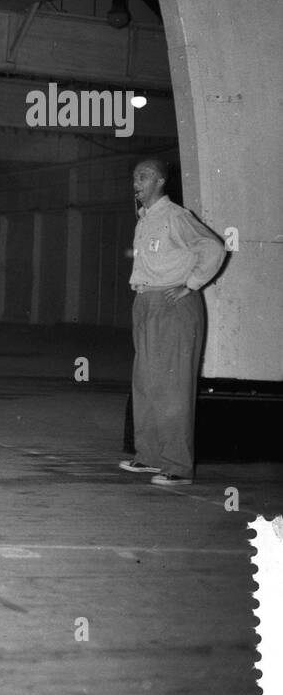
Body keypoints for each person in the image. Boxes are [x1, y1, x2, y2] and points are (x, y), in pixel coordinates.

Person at [121, 158, 226, 486]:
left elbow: (213, 247)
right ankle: (150, 457)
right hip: (146, 302)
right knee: (146, 383)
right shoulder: (145, 219)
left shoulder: (176, 217)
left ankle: (177, 466)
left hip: (172, 305)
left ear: (162, 181)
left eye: (145, 176)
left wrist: (190, 285)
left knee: (172, 387)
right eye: (136, 176)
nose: (138, 181)